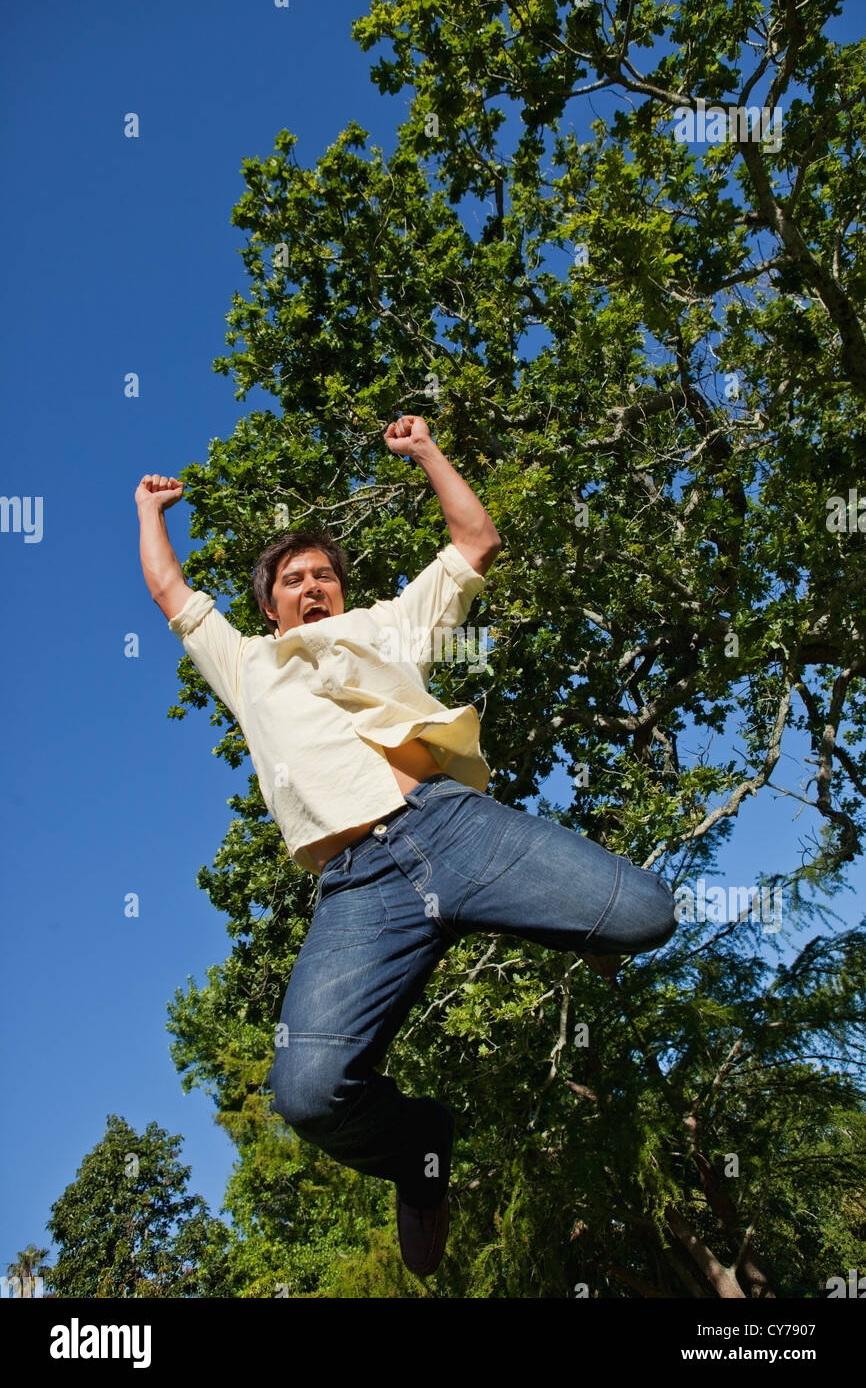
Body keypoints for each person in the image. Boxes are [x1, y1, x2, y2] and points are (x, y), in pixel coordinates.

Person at [135, 415, 677, 1279]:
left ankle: (563, 922)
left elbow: (476, 538)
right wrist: (148, 512)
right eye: (293, 579)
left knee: (650, 915)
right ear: (267, 603)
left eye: (324, 576)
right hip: (360, 890)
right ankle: (422, 1150)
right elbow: (171, 594)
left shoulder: (386, 625)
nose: (313, 587)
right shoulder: (244, 666)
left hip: (450, 827)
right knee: (307, 1095)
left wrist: (426, 451)